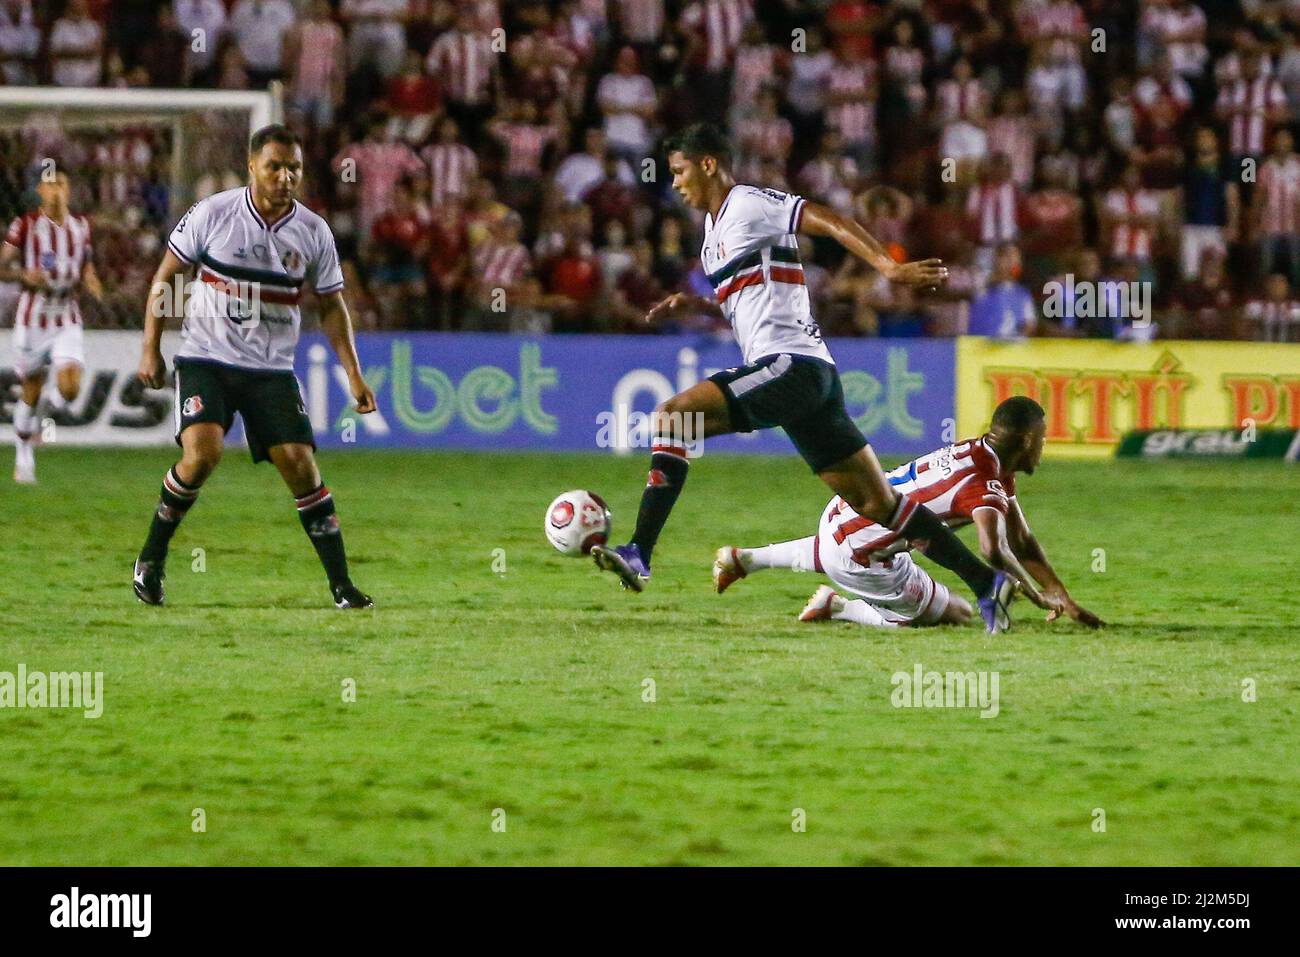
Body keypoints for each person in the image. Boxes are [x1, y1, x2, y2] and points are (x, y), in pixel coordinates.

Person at [590, 123, 1025, 633]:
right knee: (878, 502)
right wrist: (703, 306)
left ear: (708, 164)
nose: (676, 184)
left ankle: (640, 550)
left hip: (791, 367)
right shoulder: (712, 239)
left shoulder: (747, 203)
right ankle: (985, 583)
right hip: (811, 376)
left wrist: (887, 265)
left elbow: (824, 217)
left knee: (672, 418)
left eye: (681, 171)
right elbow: (756, 303)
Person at [132, 124, 377, 609]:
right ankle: (151, 560)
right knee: (202, 455)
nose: (285, 177)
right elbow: (166, 277)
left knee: (301, 467)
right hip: (206, 357)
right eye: (275, 166)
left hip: (270, 368)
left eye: (294, 168)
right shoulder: (213, 213)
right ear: (252, 166)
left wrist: (353, 372)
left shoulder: (313, 231)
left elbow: (331, 306)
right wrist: (150, 347)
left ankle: (341, 586)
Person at [713, 396, 1101, 631]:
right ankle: (841, 607)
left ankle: (747, 559)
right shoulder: (983, 485)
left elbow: (1021, 540)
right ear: (1029, 440)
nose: (1044, 448)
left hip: (842, 512)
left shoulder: (982, 453)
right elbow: (993, 548)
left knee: (847, 541)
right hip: (862, 557)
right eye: (1044, 439)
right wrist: (1033, 595)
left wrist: (1062, 596)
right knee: (957, 613)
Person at [1, 170, 103, 484]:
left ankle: (51, 403)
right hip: (33, 317)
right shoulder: (26, 225)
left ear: (70, 191)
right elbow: (2, 268)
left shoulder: (81, 226)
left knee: (70, 388)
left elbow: (86, 264)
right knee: (30, 391)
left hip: (66, 315)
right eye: (50, 184)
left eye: (62, 184)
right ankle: (24, 454)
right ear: (40, 191)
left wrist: (92, 283)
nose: (56, 190)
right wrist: (23, 276)